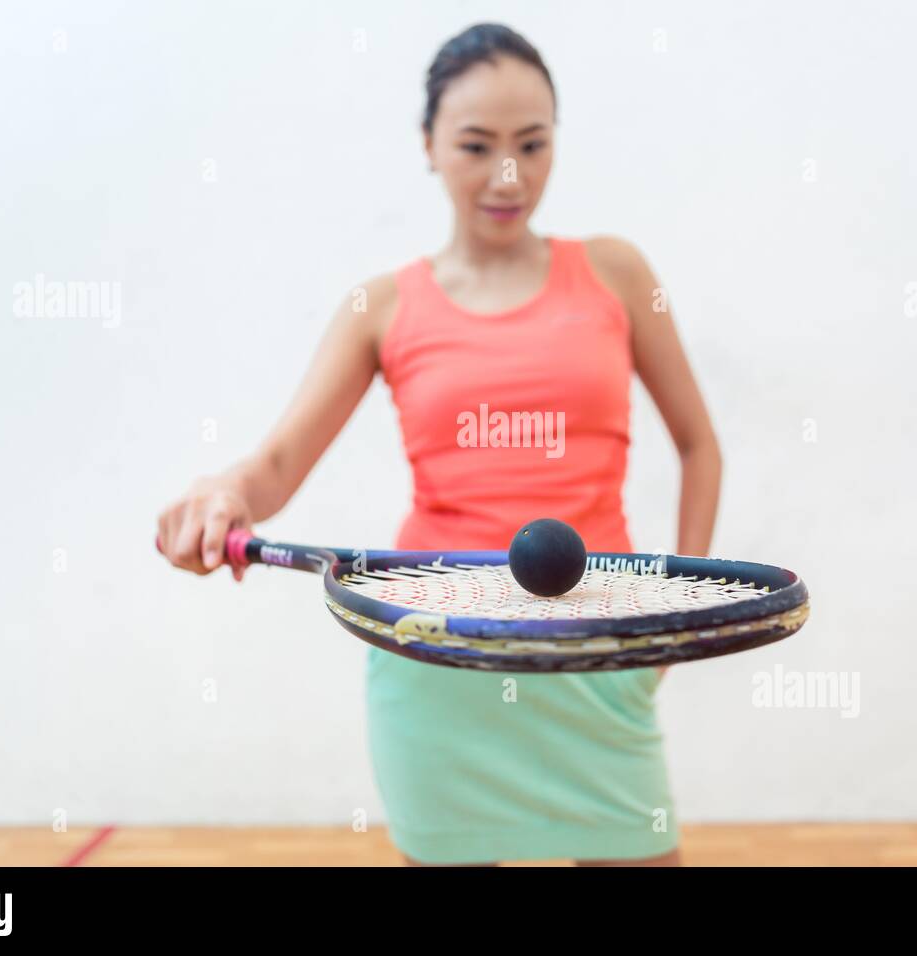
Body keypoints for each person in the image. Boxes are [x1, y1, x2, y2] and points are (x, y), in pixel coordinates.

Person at [156, 23, 722, 866]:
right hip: (439, 661)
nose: (508, 175)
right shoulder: (381, 307)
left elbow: (698, 445)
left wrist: (670, 627)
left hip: (598, 650)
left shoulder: (618, 273)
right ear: (427, 145)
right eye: (475, 145)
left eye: (533, 145)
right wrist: (225, 492)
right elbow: (274, 467)